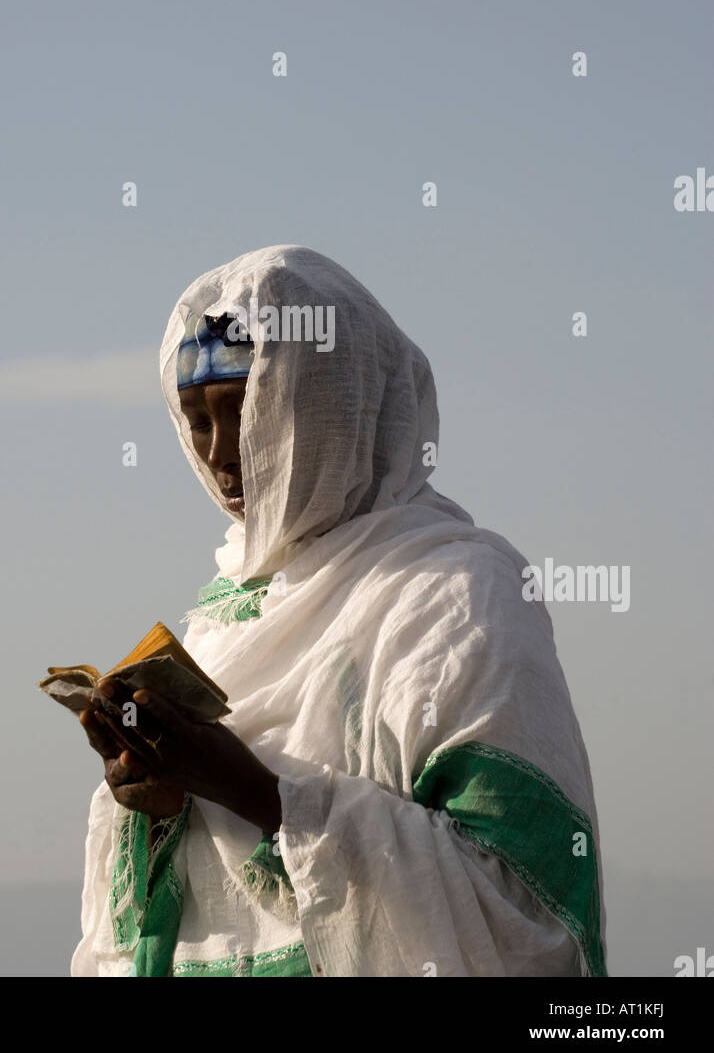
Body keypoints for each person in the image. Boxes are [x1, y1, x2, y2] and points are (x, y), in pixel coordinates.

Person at [71, 245, 607, 977]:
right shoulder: (227, 620)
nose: (223, 454)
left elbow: (522, 910)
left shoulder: (456, 592)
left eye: (248, 409)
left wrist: (251, 789)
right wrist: (163, 802)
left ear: (334, 401)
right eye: (198, 420)